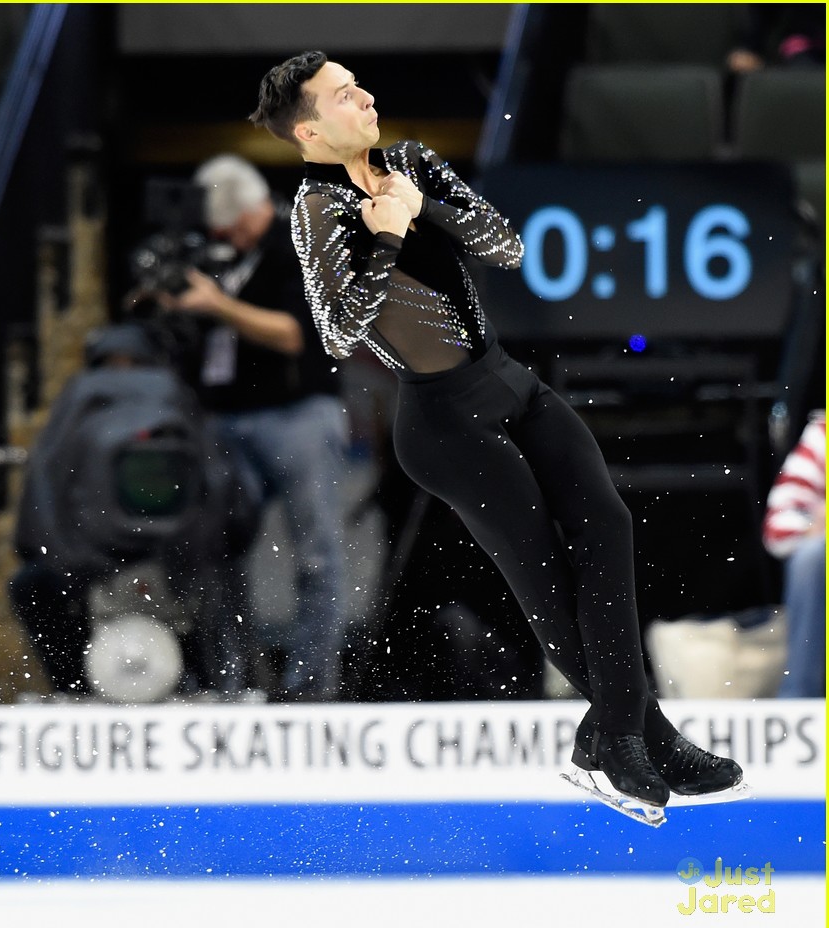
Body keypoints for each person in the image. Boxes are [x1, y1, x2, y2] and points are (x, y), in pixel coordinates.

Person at [248, 50, 744, 811]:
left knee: (606, 524)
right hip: (442, 422)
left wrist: (424, 203)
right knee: (544, 571)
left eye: (360, 85)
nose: (367, 97)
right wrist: (384, 235)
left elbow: (505, 248)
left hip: (509, 380)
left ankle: (617, 735)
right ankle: (645, 738)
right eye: (346, 95)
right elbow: (339, 334)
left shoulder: (409, 159)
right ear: (309, 130)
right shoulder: (316, 212)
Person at [157, 154, 348, 701]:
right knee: (214, 547)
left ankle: (310, 688)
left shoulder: (306, 245)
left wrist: (219, 305)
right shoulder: (217, 256)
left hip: (298, 414)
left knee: (316, 554)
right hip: (226, 417)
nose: (222, 236)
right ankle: (232, 680)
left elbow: (293, 334)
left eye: (228, 226)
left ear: (249, 212)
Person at [763, 410, 826, 698]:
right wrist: (816, 525)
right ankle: (799, 698)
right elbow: (777, 527)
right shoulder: (824, 434)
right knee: (812, 556)